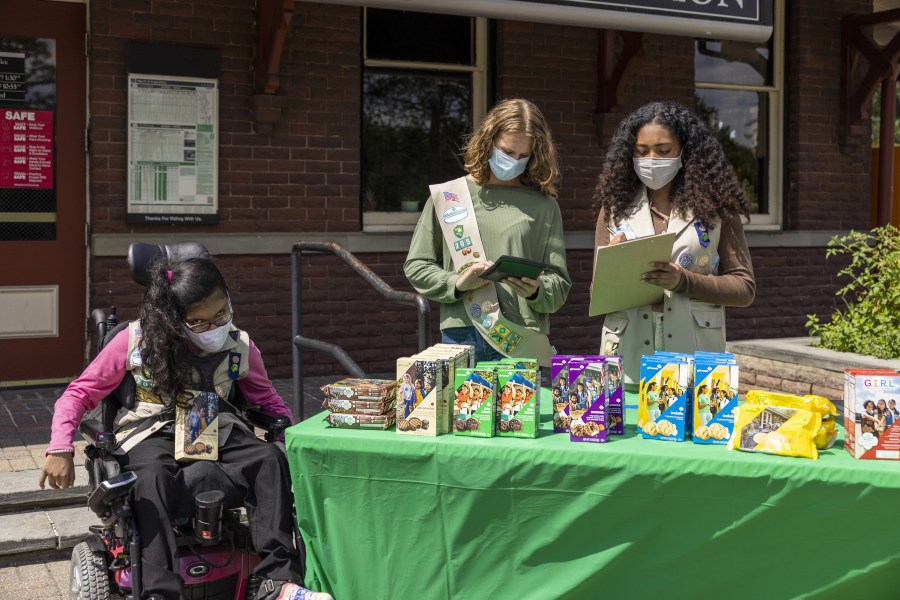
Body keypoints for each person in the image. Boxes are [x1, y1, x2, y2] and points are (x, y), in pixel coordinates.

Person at [38, 257, 332, 600]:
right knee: (149, 478)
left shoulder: (239, 345)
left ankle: (278, 582)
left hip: (215, 426)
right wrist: (60, 446)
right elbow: (79, 393)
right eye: (199, 322)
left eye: (221, 314)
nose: (214, 327)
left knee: (268, 459)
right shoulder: (134, 342)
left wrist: (291, 437)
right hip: (150, 432)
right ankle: (161, 592)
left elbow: (267, 401)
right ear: (172, 319)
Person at [592, 101, 756, 387]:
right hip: (627, 357)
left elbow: (744, 289)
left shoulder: (717, 211)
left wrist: (684, 281)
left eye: (664, 151)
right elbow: (597, 294)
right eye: (641, 152)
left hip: (695, 361)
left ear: (685, 152)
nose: (651, 159)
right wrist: (613, 265)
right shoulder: (614, 208)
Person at [404, 98, 572, 367]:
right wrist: (457, 284)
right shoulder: (449, 197)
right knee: (462, 411)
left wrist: (537, 289)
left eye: (523, 156)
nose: (513, 161)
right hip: (462, 333)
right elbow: (417, 266)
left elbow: (560, 285)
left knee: (521, 413)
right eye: (506, 151)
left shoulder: (544, 206)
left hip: (520, 337)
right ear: (488, 141)